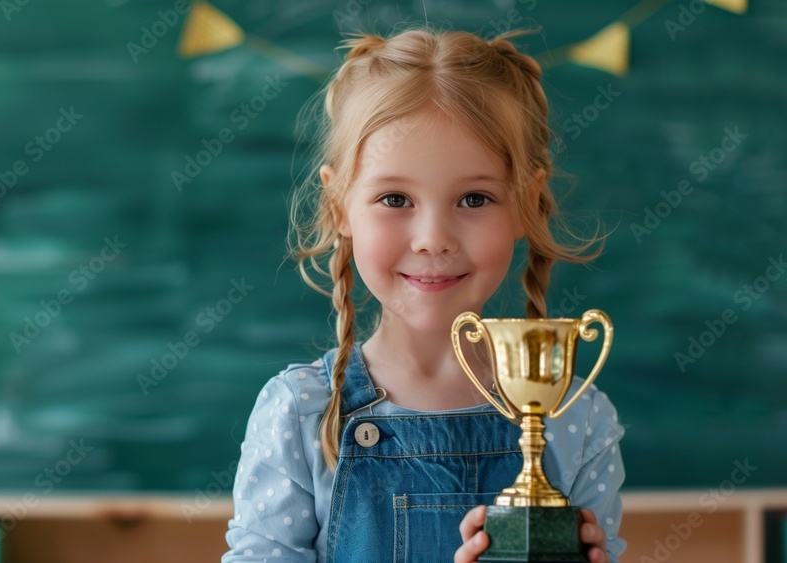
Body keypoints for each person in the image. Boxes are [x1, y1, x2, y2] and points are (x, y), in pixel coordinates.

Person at [222, 24, 626, 563]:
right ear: (340, 206)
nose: (433, 239)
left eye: (474, 199)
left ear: (527, 203)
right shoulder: (300, 414)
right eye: (395, 199)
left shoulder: (578, 420)